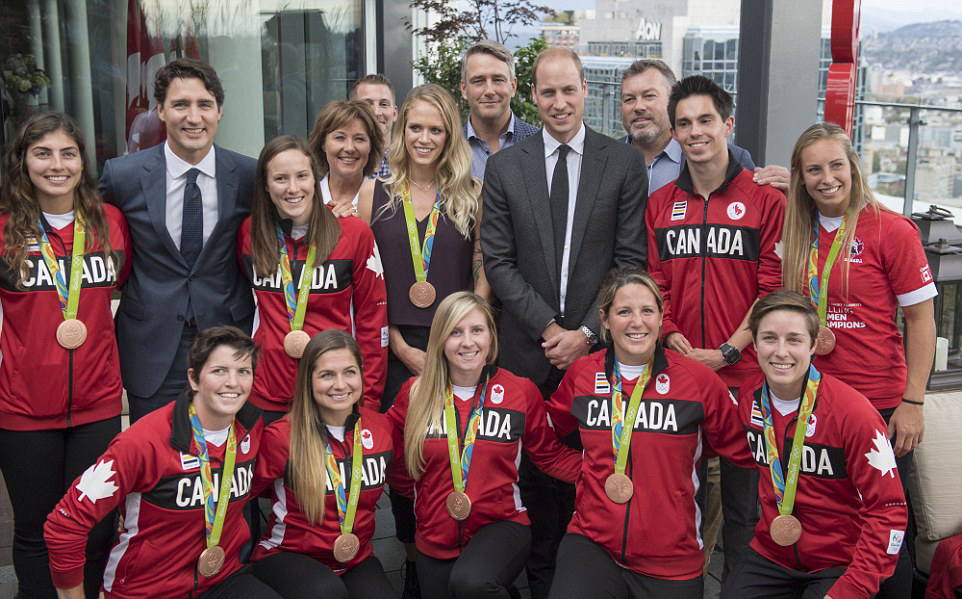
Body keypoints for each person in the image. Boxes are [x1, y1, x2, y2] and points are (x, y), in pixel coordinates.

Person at [480, 47, 647, 598]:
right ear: (533, 94)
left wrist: (589, 335)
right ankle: (539, 582)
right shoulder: (507, 166)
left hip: (598, 356)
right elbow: (498, 261)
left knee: (595, 473)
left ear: (584, 90)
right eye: (547, 92)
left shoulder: (621, 163)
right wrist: (552, 329)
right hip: (528, 353)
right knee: (530, 482)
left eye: (568, 90)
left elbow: (629, 261)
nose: (558, 102)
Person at [779, 122, 936, 597]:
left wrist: (913, 401)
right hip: (815, 402)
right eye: (813, 169)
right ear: (800, 178)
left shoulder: (891, 229)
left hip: (879, 404)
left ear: (853, 167)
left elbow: (922, 321)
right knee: (831, 516)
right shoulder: (797, 231)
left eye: (836, 165)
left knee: (885, 523)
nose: (827, 178)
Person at [644, 74, 786, 580]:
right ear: (674, 132)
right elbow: (655, 283)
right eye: (684, 123)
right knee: (682, 500)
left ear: (727, 124)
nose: (695, 132)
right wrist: (670, 333)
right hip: (681, 376)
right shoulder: (660, 206)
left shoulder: (767, 200)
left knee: (747, 513)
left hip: (747, 377)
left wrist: (728, 350)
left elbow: (771, 288)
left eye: (705, 120)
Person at [546, 267, 752, 599]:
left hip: (671, 559)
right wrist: (582, 471)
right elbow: (546, 435)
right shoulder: (582, 374)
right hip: (593, 543)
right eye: (624, 311)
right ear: (606, 319)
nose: (636, 322)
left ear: (660, 317)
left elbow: (739, 452)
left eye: (647, 311)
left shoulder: (698, 382)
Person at [357, 82, 488, 599]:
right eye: (416, 127)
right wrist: (394, 342)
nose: (425, 138)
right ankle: (412, 556)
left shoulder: (470, 193)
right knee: (401, 461)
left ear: (450, 134)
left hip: (454, 346)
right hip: (392, 344)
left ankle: (454, 549)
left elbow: (482, 270)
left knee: (449, 451)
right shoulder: (375, 192)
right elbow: (365, 278)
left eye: (436, 129)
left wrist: (465, 330)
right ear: (400, 129)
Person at [44, 326, 281, 599]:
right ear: (193, 378)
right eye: (219, 371)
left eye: (243, 372)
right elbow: (64, 525)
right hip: (148, 589)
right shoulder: (141, 443)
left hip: (221, 578)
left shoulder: (251, 428)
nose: (233, 382)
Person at [0, 112, 130, 599]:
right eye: (43, 153)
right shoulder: (5, 230)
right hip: (22, 411)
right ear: (23, 161)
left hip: (96, 408)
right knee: (34, 531)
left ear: (82, 162)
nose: (57, 165)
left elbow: (122, 287)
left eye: (68, 153)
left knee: (94, 525)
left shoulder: (110, 223)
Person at [386, 292, 582, 599]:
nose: (468, 342)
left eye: (477, 330)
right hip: (434, 535)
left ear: (491, 335)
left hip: (502, 526)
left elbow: (548, 454)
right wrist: (418, 502)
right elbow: (396, 459)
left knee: (472, 583)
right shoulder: (414, 394)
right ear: (440, 339)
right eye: (456, 332)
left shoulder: (520, 392)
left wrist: (600, 472)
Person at [721, 291, 908, 599]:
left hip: (839, 563)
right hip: (771, 555)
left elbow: (889, 511)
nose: (781, 352)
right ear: (754, 345)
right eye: (769, 338)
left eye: (794, 340)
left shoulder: (854, 414)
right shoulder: (749, 399)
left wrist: (854, 587)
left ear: (812, 346)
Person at [100, 57, 257, 422]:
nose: (193, 117)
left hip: (227, 340)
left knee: (227, 460)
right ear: (160, 111)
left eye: (204, 104)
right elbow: (86, 227)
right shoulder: (122, 176)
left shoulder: (249, 174)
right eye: (180, 104)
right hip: (151, 344)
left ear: (219, 111)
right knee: (155, 461)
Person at [237, 135, 386, 423]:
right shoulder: (249, 234)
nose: (293, 188)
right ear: (266, 186)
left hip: (334, 393)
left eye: (302, 176)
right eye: (280, 178)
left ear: (314, 180)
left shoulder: (353, 234)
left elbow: (372, 323)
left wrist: (368, 402)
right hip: (267, 394)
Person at [249, 330, 397, 598]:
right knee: (325, 592)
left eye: (349, 372)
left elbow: (405, 482)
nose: (340, 384)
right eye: (327, 374)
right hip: (288, 555)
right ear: (308, 380)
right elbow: (244, 494)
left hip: (354, 558)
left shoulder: (382, 429)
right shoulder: (281, 437)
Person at [619, 59, 789, 194]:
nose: (638, 107)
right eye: (629, 99)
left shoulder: (734, 159)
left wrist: (792, 196)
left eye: (649, 96)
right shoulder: (603, 159)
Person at [460, 40, 539, 180]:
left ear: (513, 86)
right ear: (464, 89)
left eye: (498, 80)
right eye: (478, 81)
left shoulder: (540, 144)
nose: (489, 91)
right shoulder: (448, 147)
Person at [307, 100, 384, 216]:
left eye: (359, 139)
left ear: (371, 146)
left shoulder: (385, 201)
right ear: (323, 143)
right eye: (340, 138)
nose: (349, 148)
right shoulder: (307, 197)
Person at [350, 74, 397, 179]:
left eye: (383, 104)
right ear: (351, 111)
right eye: (367, 104)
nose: (376, 112)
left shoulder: (410, 164)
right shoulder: (341, 161)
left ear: (394, 113)